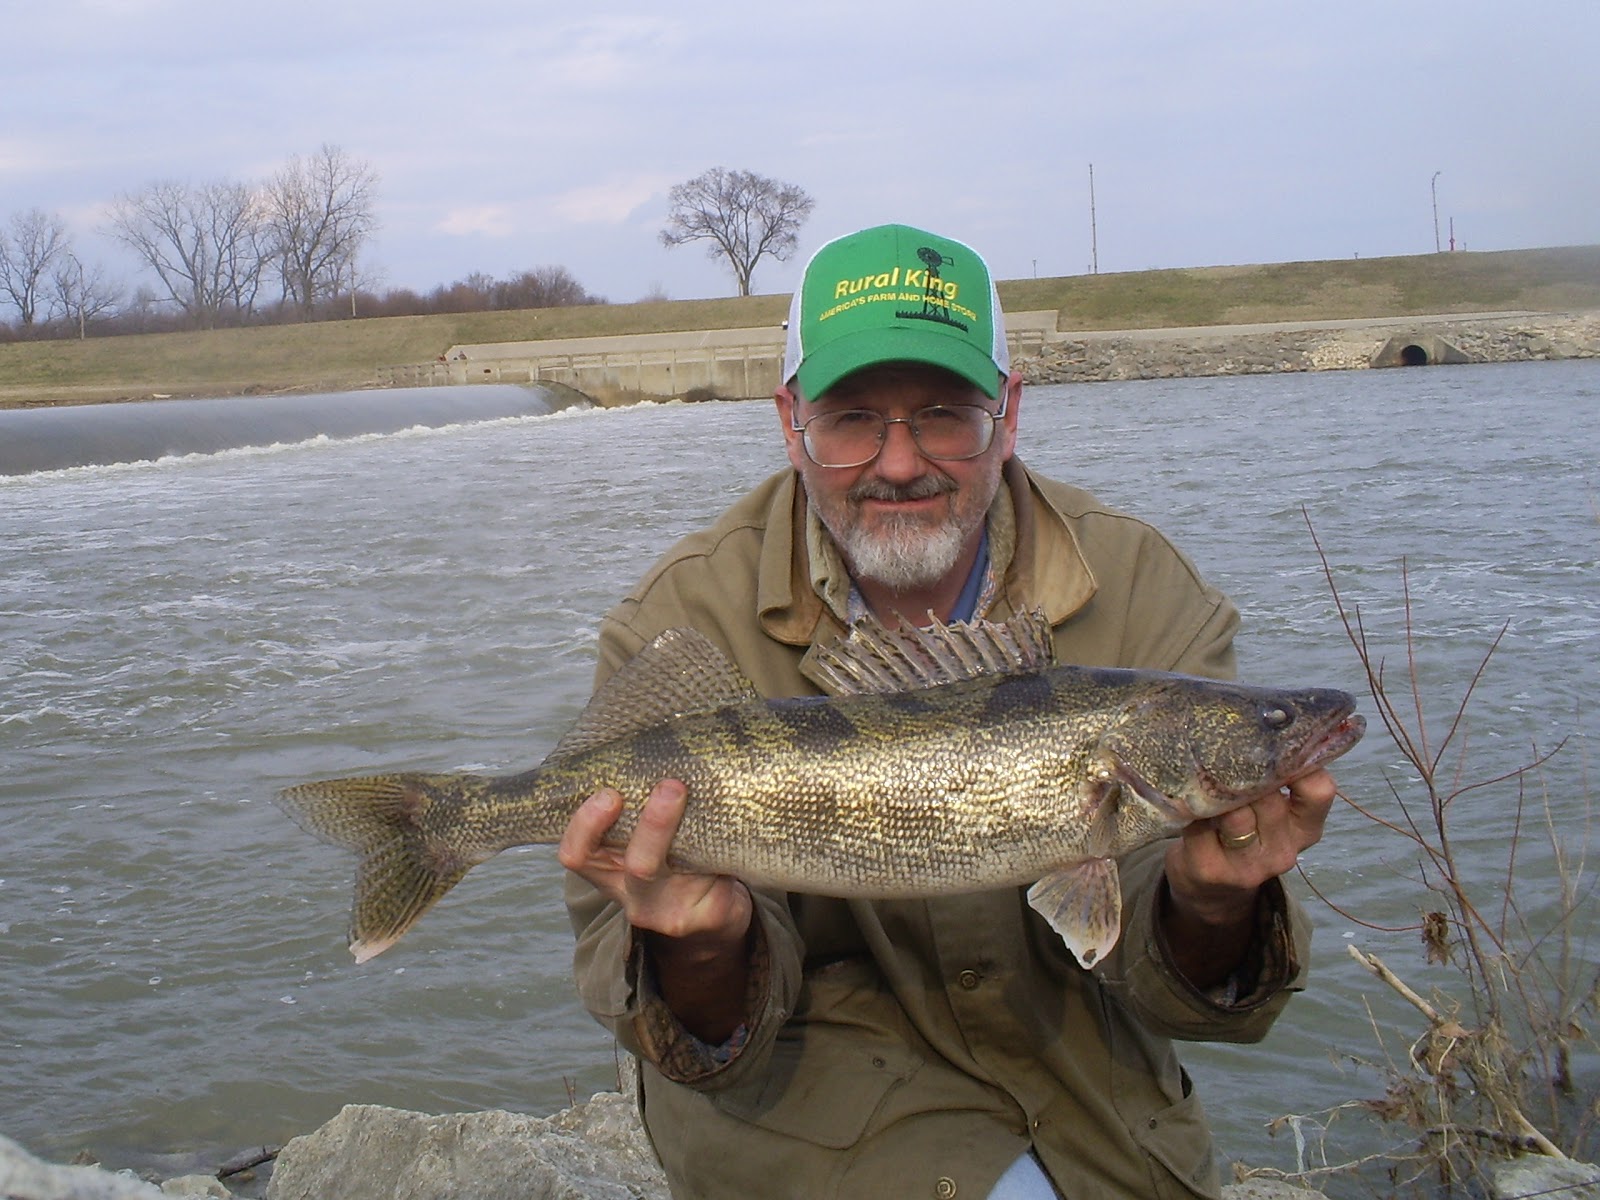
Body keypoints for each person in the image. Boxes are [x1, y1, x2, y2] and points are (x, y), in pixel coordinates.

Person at [559, 223, 1337, 1199]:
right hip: (811, 1127)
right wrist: (702, 948)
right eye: (850, 419)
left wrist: (1215, 902)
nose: (897, 462)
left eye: (942, 413)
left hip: (1090, 1111)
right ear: (789, 418)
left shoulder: (1146, 590)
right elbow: (669, 1020)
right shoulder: (677, 623)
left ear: (1007, 414)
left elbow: (1199, 998)